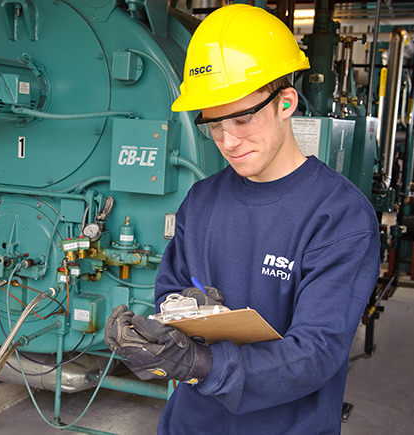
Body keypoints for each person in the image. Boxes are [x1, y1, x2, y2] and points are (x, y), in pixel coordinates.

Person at [105, 4, 381, 434]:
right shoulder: (202, 200)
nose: (228, 141)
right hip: (190, 423)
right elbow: (169, 291)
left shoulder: (338, 216)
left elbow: (317, 352)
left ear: (286, 103)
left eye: (243, 118)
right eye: (213, 126)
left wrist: (203, 361)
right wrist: (168, 325)